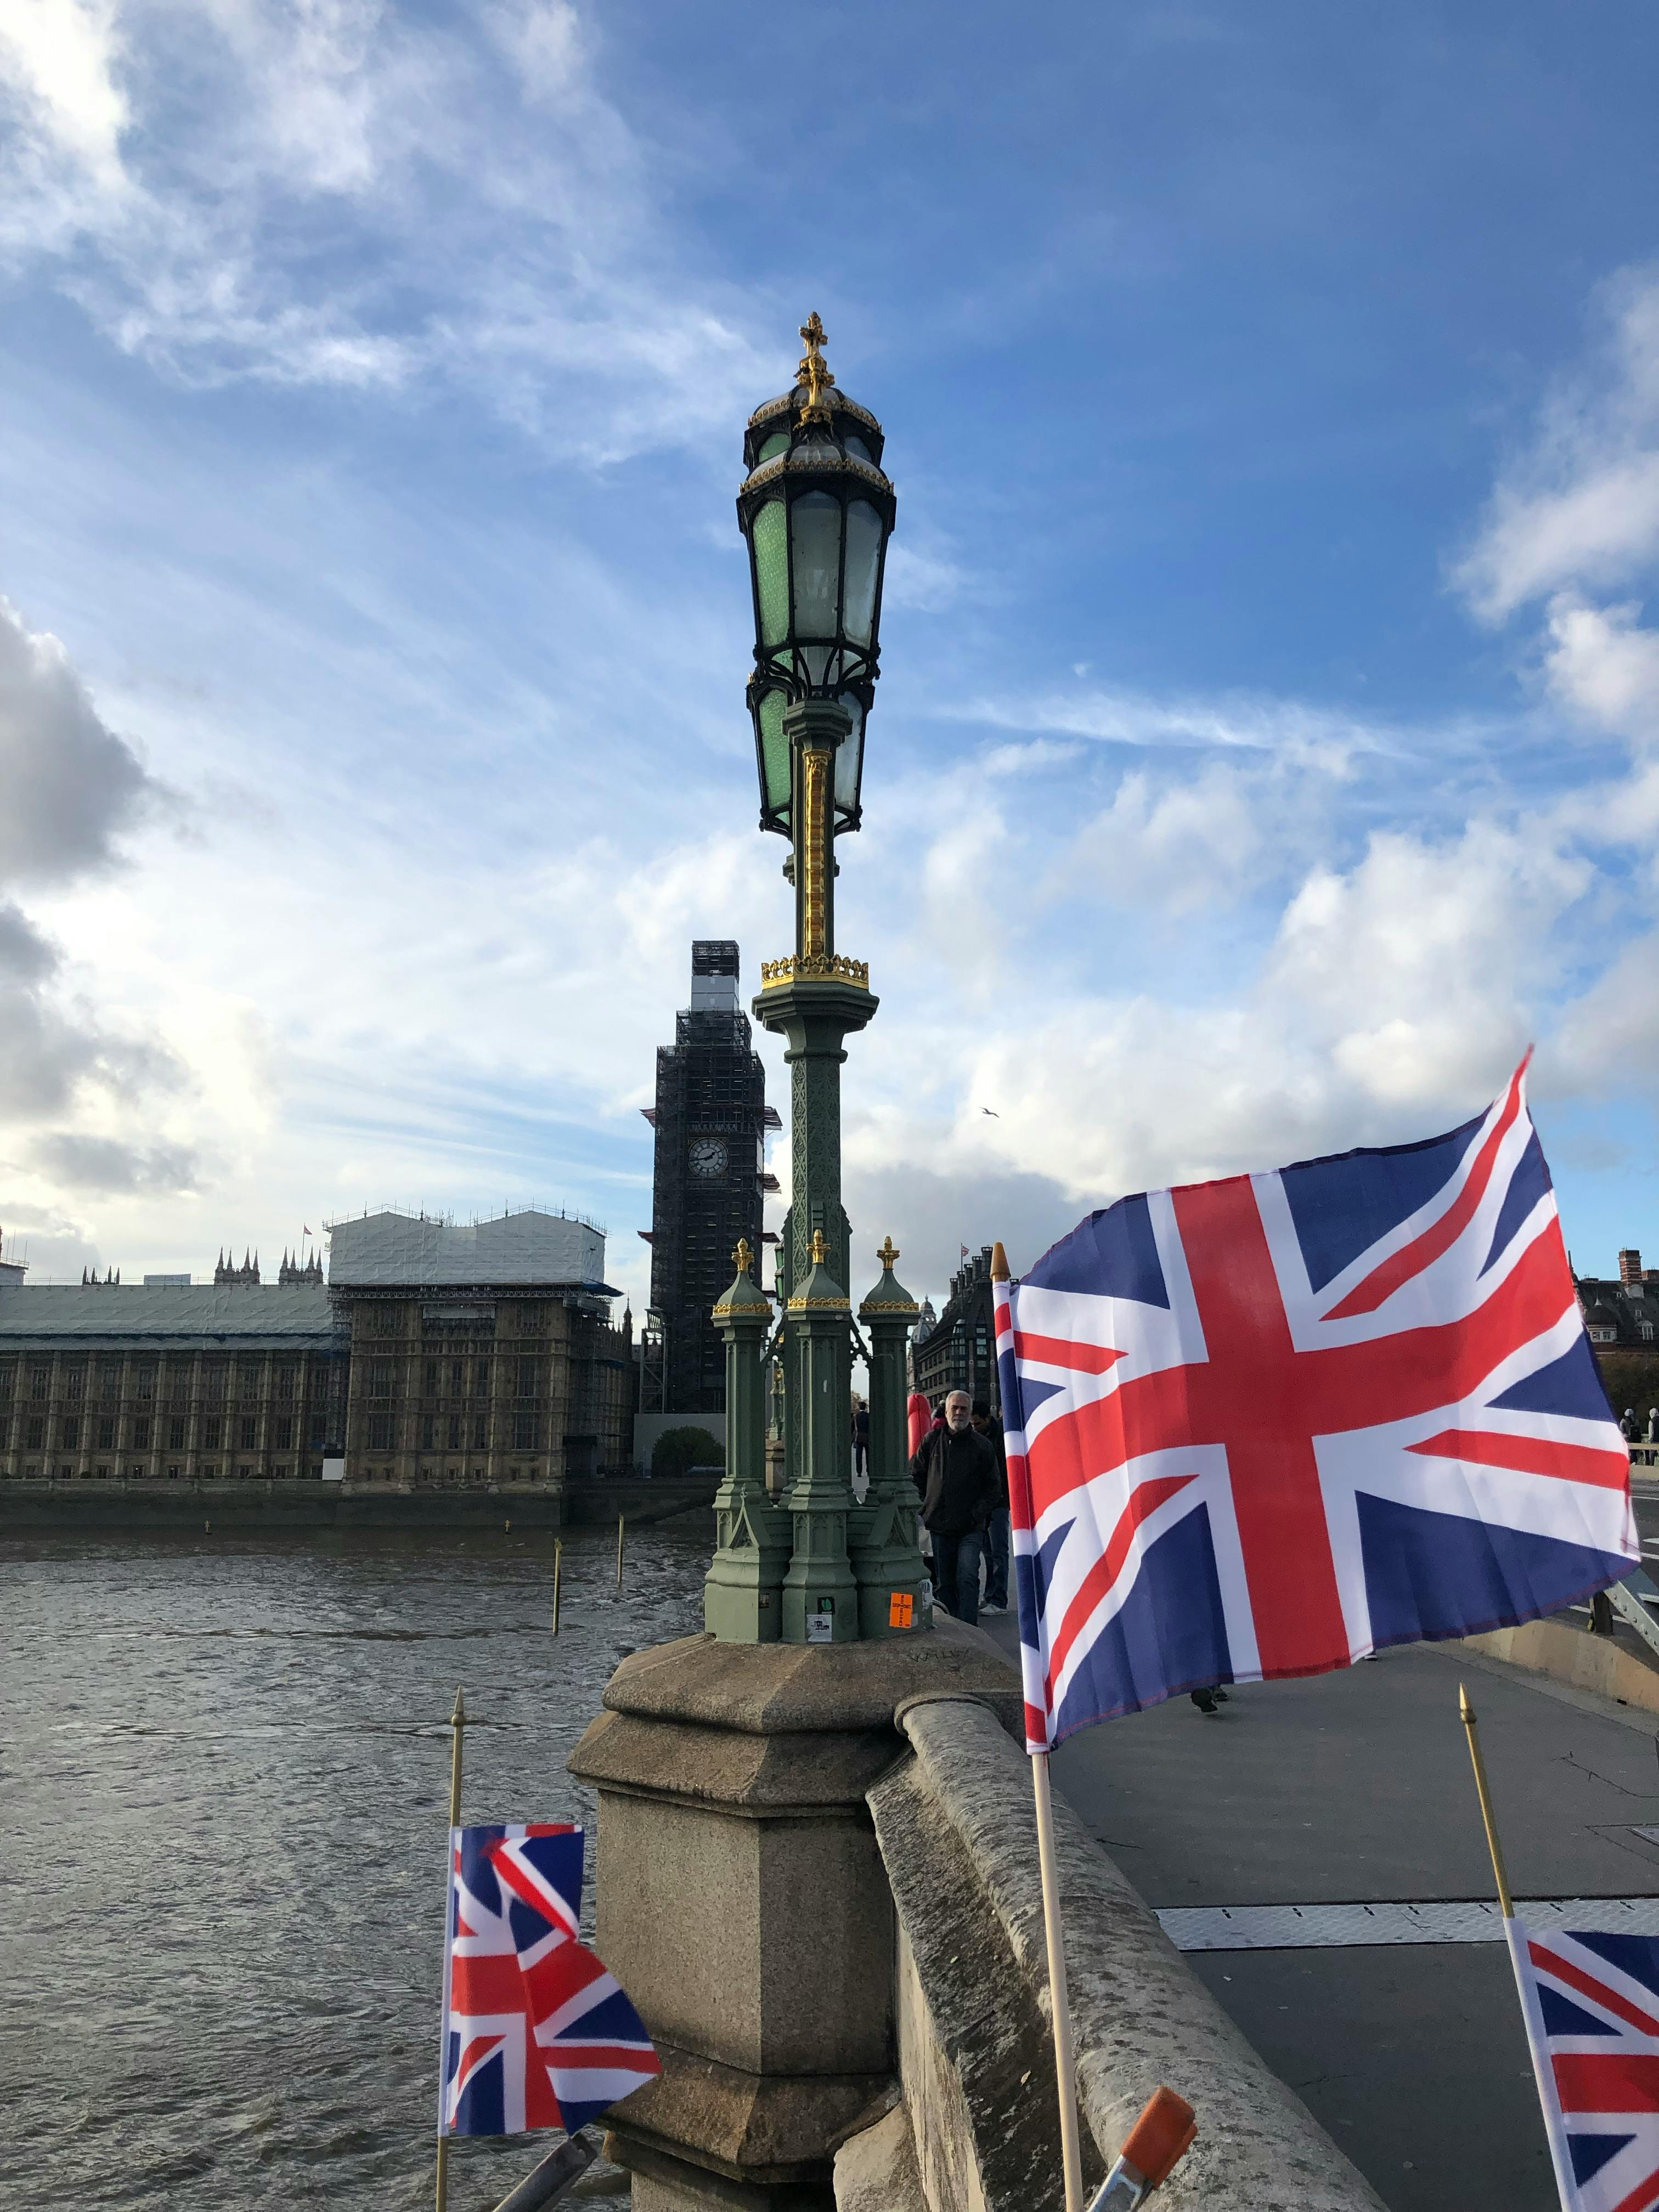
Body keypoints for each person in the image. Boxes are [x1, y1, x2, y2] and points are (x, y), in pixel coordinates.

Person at [909, 1389, 999, 1626]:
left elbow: (993, 1487)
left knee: (968, 1576)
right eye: (954, 1408)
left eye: (963, 1409)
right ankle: (950, 1630)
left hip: (971, 1527)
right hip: (940, 1525)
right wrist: (925, 1506)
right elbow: (915, 1474)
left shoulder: (982, 1446)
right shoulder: (931, 1441)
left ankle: (970, 1631)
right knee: (945, 1582)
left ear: (970, 1413)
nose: (959, 1413)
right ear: (946, 1412)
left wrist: (976, 1514)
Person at [970, 1397, 1010, 1615]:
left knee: (998, 1552)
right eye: (972, 1423)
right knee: (987, 1552)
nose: (974, 1427)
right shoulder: (977, 1437)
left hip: (999, 1501)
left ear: (988, 1418)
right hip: (982, 1503)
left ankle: (999, 1599)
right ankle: (990, 1596)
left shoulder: (1001, 1437)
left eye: (978, 1423)